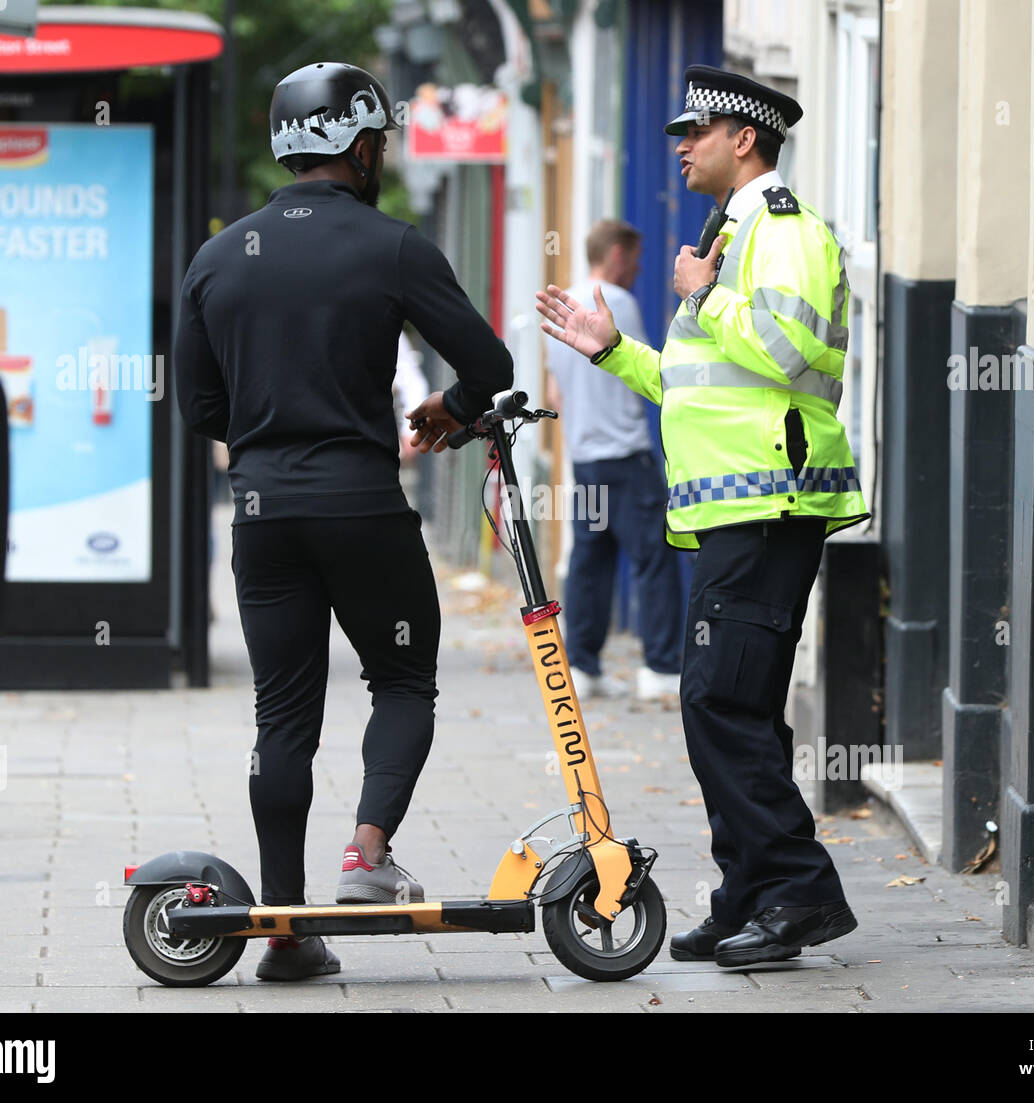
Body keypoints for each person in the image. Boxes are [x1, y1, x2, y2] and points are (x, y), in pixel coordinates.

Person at [174, 62, 513, 981]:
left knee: (282, 713)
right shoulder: (392, 246)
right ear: (360, 145)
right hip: (363, 506)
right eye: (381, 144)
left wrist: (263, 431)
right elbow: (492, 362)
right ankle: (365, 854)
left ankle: (286, 929)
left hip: (263, 513)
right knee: (403, 677)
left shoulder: (218, 256)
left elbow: (199, 405)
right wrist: (449, 406)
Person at [536, 65, 868, 968]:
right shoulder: (729, 233)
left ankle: (798, 891)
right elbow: (697, 381)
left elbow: (789, 346)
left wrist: (701, 296)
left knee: (717, 699)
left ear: (745, 140)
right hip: (737, 508)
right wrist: (614, 353)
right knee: (737, 706)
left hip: (772, 498)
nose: (681, 144)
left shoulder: (786, 227)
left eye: (697, 130)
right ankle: (751, 891)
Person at [543, 219, 684, 701]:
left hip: (585, 456)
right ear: (618, 253)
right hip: (626, 453)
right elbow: (646, 369)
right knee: (655, 559)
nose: (639, 269)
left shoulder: (562, 306)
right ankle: (660, 670)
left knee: (590, 560)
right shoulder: (615, 303)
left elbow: (553, 392)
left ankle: (582, 667)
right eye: (637, 258)